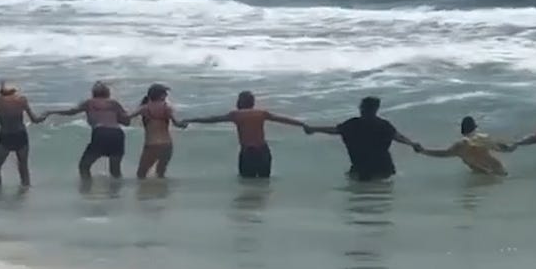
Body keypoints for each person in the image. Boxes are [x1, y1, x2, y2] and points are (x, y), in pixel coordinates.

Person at [178, 90, 308, 179]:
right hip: (263, 151)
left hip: (248, 152)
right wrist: (303, 125)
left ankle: (247, 209)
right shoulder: (261, 113)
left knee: (247, 182)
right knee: (263, 182)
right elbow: (283, 119)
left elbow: (212, 119)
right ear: (252, 102)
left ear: (240, 102)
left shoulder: (236, 115)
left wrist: (190, 120)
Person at [304, 96, 419, 181]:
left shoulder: (353, 124)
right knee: (381, 196)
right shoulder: (384, 125)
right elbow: (398, 137)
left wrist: (313, 129)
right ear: (376, 109)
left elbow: (334, 130)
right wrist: (412, 144)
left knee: (358, 198)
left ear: (362, 108)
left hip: (362, 168)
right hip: (383, 168)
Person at [43, 82, 132, 179]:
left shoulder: (89, 102)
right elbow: (127, 122)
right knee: (115, 171)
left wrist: (51, 112)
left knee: (84, 166)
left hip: (101, 133)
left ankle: (87, 190)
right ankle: (116, 193)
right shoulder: (114, 103)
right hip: (117, 134)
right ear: (107, 93)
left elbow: (71, 112)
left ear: (93, 93)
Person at [413, 116, 508, 176]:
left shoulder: (460, 146)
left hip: (483, 175)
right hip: (498, 171)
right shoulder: (483, 138)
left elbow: (443, 154)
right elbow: (503, 148)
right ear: (475, 127)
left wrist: (423, 151)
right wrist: (516, 144)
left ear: (462, 130)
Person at [130, 84, 180, 180]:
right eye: (165, 93)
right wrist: (184, 124)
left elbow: (127, 117)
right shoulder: (167, 108)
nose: (166, 95)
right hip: (167, 145)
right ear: (161, 96)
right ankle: (161, 192)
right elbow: (177, 123)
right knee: (160, 173)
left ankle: (144, 193)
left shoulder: (144, 108)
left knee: (141, 174)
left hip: (152, 145)